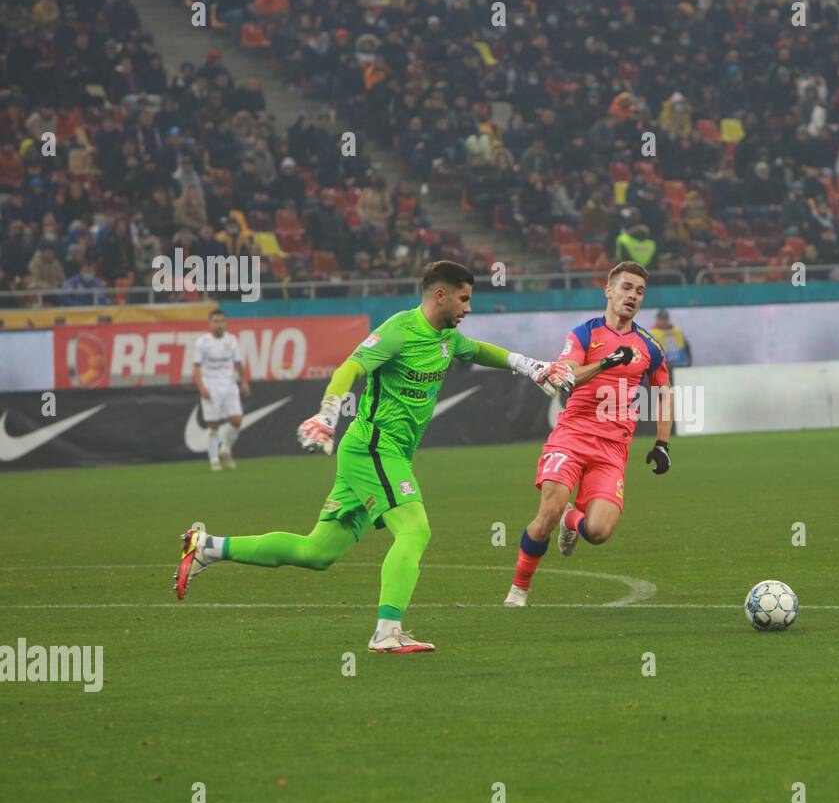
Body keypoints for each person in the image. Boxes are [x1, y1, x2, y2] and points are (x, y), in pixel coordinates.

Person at [174, 261, 575, 653]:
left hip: (382, 454)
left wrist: (528, 365)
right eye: (464, 299)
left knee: (317, 552)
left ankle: (208, 547)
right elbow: (351, 366)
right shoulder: (399, 330)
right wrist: (328, 413)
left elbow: (479, 351)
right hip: (373, 448)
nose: (468, 308)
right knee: (415, 530)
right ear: (440, 295)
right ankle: (387, 631)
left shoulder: (447, 339)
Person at [505, 262, 673, 607]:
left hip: (612, 450)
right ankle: (519, 590)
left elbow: (664, 392)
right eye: (626, 288)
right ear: (608, 291)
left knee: (598, 532)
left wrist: (662, 443)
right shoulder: (584, 334)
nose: (632, 296)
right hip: (572, 436)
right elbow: (565, 377)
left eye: (639, 292)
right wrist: (607, 363)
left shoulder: (649, 347)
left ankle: (572, 518)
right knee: (548, 511)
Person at [192, 308, 251, 470]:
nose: (219, 324)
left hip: (229, 384)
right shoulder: (202, 342)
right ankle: (214, 459)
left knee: (237, 420)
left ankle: (225, 448)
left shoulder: (232, 340)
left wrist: (244, 382)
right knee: (213, 424)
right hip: (211, 385)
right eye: (215, 321)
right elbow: (196, 367)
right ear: (210, 323)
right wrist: (201, 387)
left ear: (226, 323)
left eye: (222, 321)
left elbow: (238, 363)